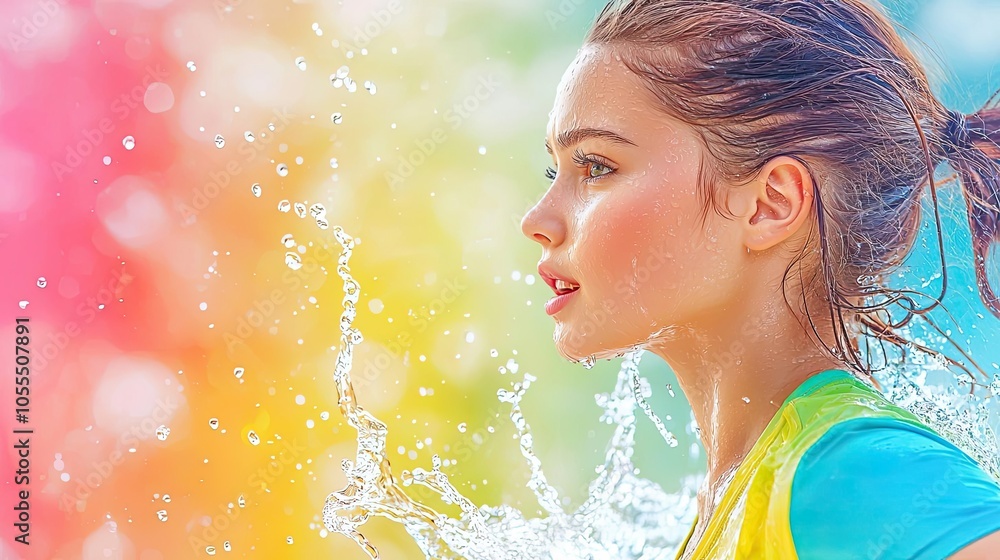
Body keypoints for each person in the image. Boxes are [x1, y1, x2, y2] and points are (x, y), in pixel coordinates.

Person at [519, 0, 1000, 558]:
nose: (536, 221)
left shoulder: (848, 473)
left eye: (596, 165)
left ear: (770, 205)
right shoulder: (738, 501)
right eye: (555, 169)